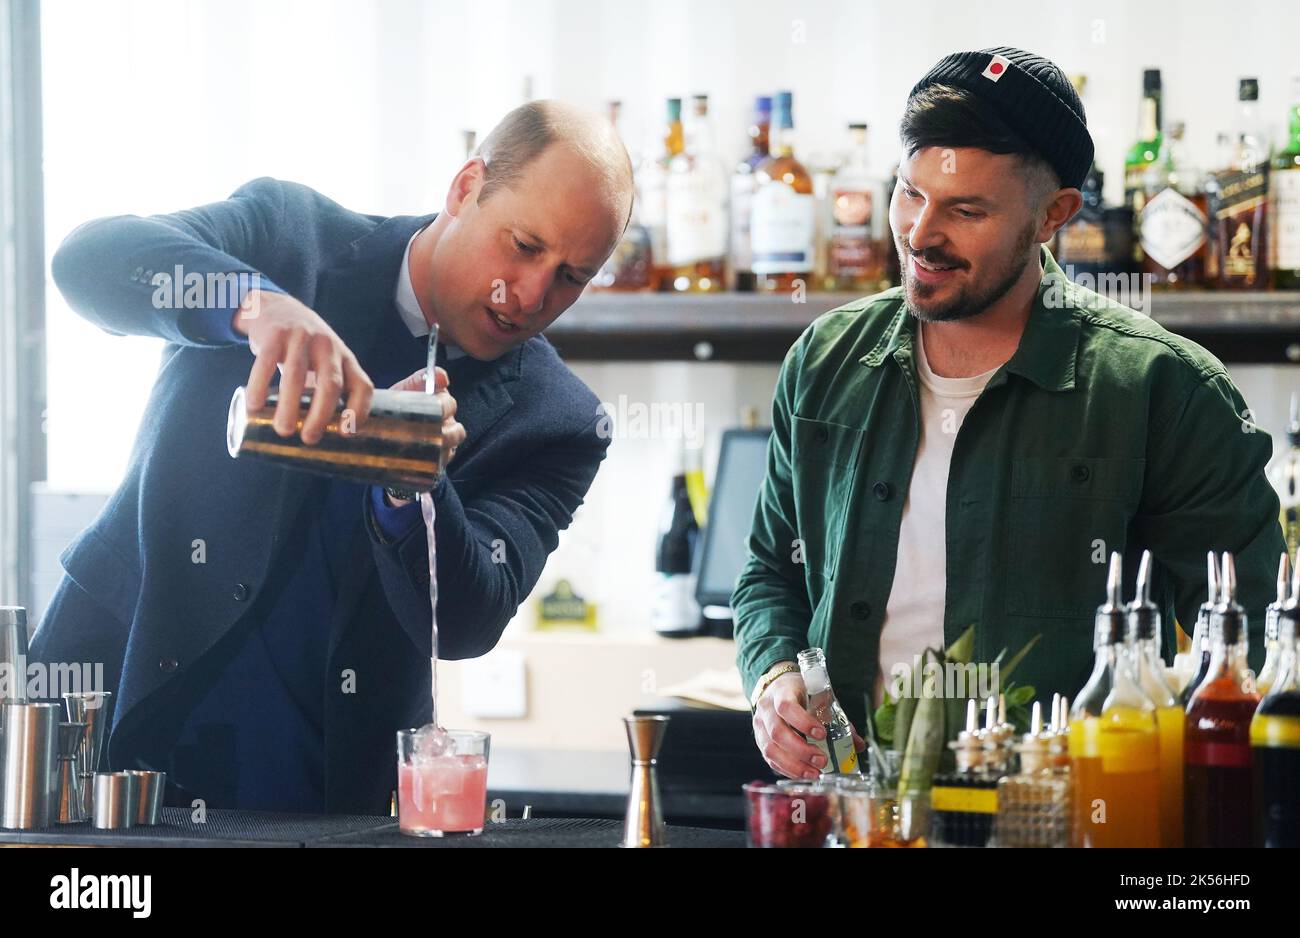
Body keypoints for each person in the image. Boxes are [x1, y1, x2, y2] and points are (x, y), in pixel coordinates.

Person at [31, 100, 633, 813]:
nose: (531, 294)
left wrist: (416, 482)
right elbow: (86, 262)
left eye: (573, 275)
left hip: (323, 785)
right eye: (525, 246)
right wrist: (256, 306)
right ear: (467, 187)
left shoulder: (557, 419)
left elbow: (469, 620)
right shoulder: (287, 238)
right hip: (110, 703)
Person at [734, 47, 1286, 781]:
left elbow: (1250, 652)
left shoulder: (1163, 390)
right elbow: (773, 570)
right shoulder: (826, 363)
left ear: (1053, 214)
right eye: (909, 192)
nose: (921, 234)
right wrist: (772, 678)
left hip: (1062, 817)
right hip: (853, 812)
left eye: (967, 211)